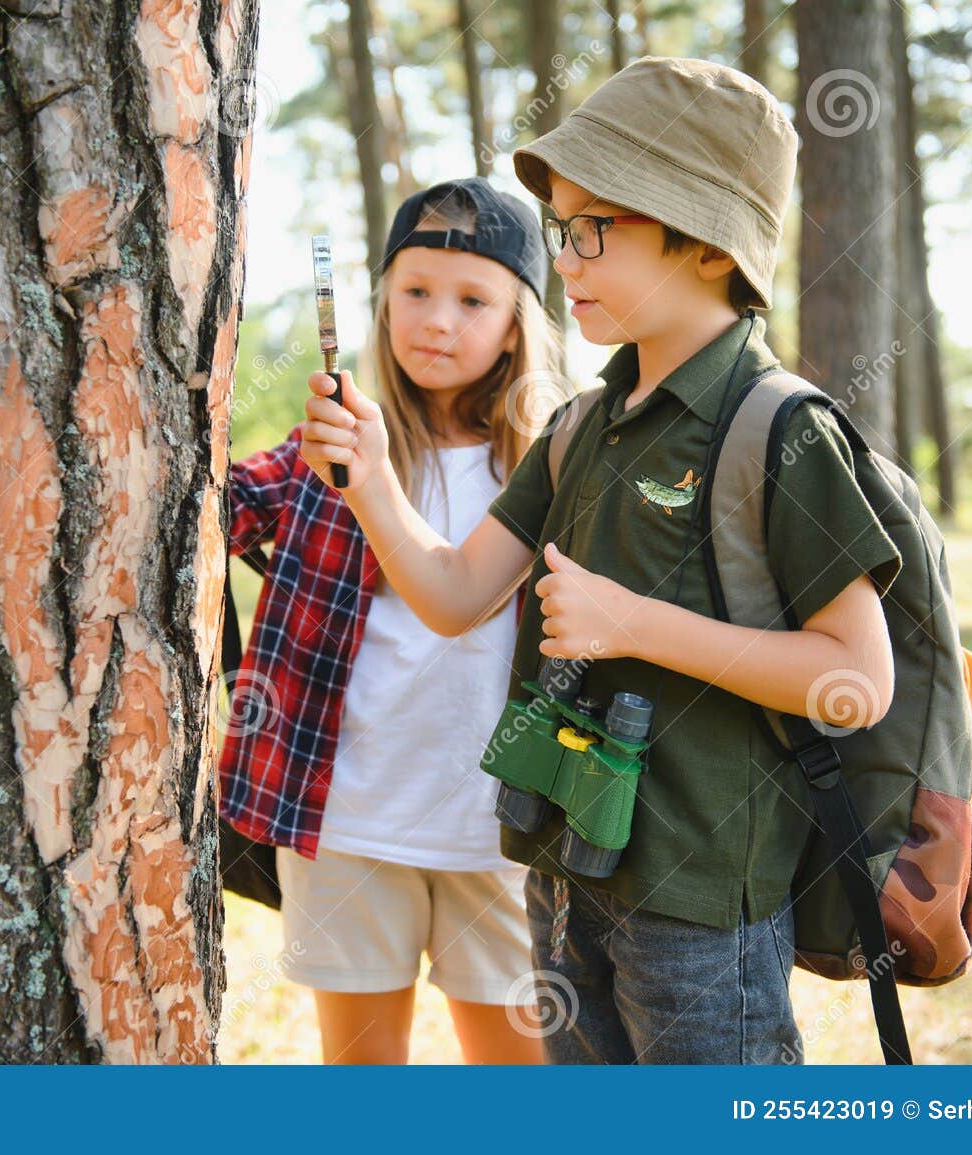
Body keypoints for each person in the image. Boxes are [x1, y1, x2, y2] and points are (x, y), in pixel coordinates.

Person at [298, 58, 903, 1064]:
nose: (564, 260)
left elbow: (855, 680)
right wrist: (368, 479)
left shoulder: (779, 429)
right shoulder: (582, 426)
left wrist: (634, 626)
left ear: (704, 242)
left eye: (591, 231)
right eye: (559, 231)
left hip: (704, 907)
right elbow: (453, 594)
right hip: (562, 872)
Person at [222, 178, 564, 1063]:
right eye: (414, 291)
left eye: (471, 299)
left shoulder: (552, 463)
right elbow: (215, 504)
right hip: (349, 819)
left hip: (502, 829)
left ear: (518, 321)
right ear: (378, 301)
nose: (436, 321)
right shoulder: (332, 446)